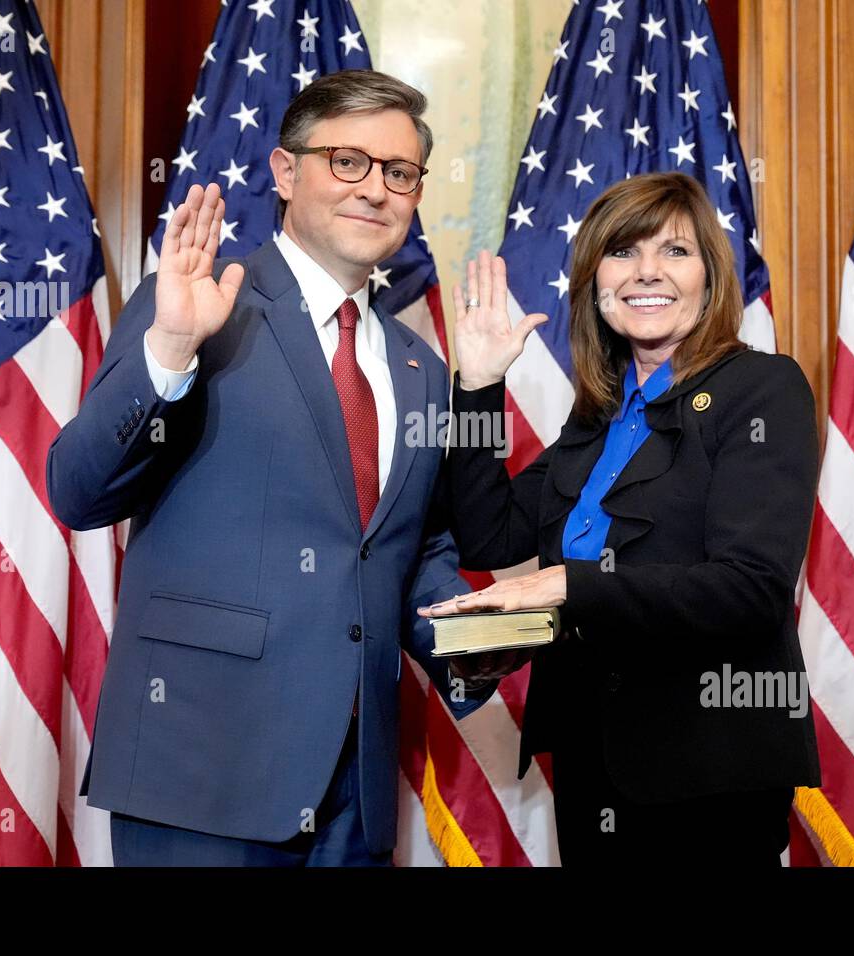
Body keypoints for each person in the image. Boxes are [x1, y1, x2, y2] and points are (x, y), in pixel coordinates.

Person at [47, 70, 510, 866]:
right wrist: (169, 352)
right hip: (201, 770)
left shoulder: (419, 367)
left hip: (351, 798)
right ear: (287, 172)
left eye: (399, 173)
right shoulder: (195, 305)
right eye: (349, 162)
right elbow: (78, 490)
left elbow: (408, 553)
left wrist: (490, 636)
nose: (376, 190)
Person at [421, 171, 822, 866]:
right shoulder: (601, 414)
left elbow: (751, 588)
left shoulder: (761, 388)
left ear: (709, 278)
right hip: (591, 760)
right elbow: (490, 533)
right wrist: (480, 387)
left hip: (708, 773)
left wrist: (570, 585)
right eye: (623, 252)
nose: (646, 273)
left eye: (674, 252)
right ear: (594, 281)